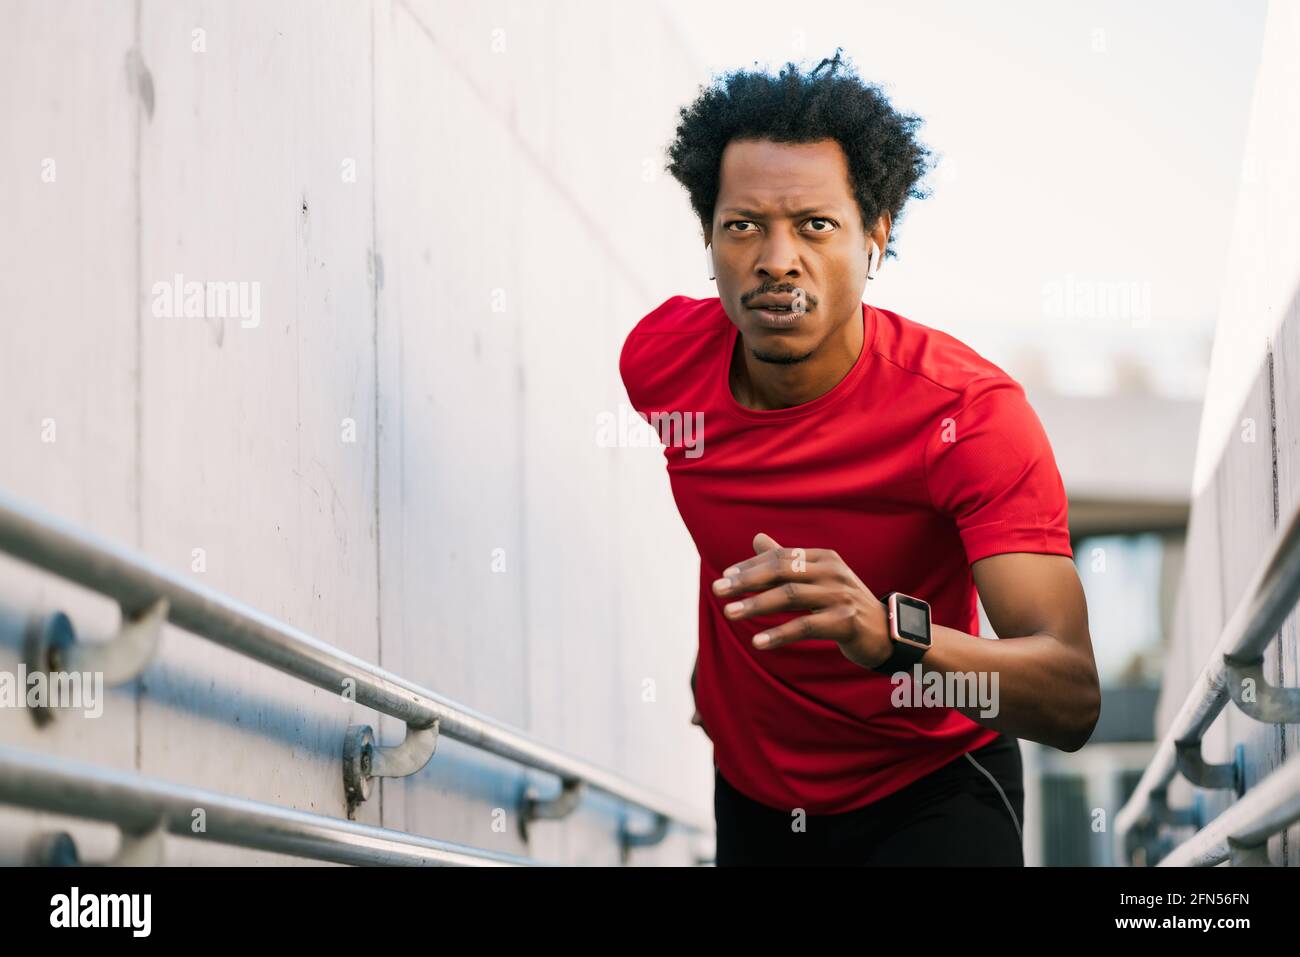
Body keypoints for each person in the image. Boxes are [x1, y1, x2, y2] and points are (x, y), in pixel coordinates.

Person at [620, 49, 1100, 866]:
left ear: (876, 235)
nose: (777, 258)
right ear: (707, 235)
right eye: (744, 226)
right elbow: (737, 496)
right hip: (755, 793)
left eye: (815, 224)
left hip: (932, 788)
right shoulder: (660, 364)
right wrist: (719, 660)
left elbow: (1071, 697)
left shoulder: (968, 415)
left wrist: (889, 635)